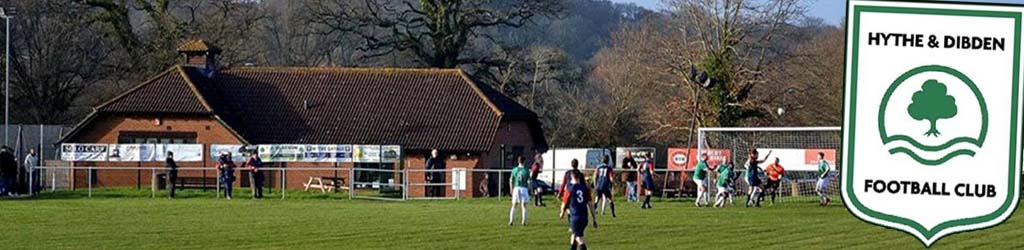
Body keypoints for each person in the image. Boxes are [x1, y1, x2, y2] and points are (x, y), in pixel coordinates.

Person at [559, 170, 598, 250]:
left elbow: (564, 204)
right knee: (574, 235)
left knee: (579, 238)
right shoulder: (585, 189)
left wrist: (562, 213)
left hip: (575, 217)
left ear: (572, 176)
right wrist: (594, 218)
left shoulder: (570, 189)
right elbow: (590, 204)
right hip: (584, 217)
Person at [508, 156, 531, 226]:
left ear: (518, 161)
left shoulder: (514, 170)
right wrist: (529, 189)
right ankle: (523, 221)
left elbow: (511, 180)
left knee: (514, 205)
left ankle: (511, 221)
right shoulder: (526, 170)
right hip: (523, 188)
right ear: (524, 161)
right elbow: (529, 181)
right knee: (524, 205)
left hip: (516, 188)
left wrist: (511, 189)